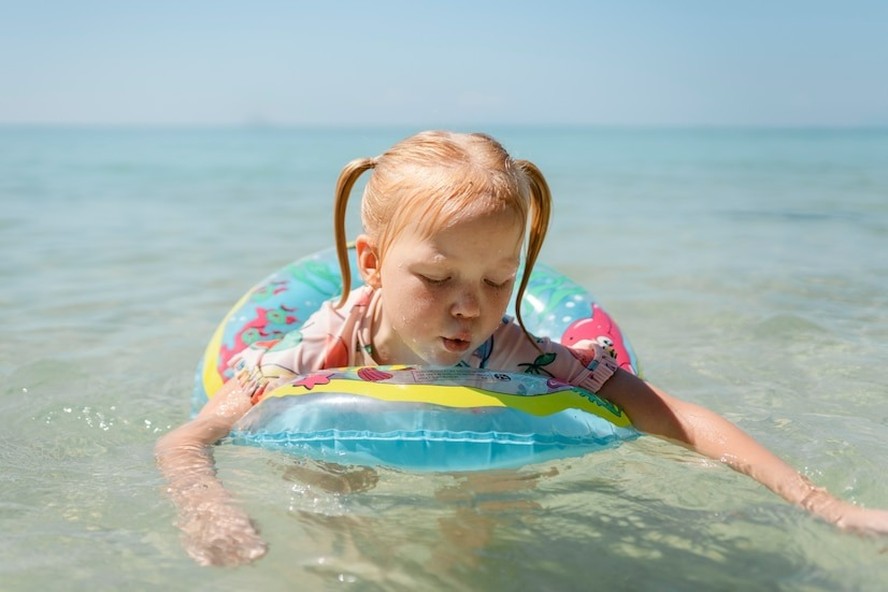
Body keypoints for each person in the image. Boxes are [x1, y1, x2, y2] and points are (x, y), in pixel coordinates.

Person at [156, 130, 888, 567]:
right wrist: (207, 509)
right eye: (437, 278)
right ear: (373, 264)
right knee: (325, 483)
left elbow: (677, 417)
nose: (469, 305)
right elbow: (189, 438)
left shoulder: (519, 353)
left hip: (490, 458)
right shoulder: (324, 346)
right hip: (342, 432)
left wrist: (822, 505)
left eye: (498, 278)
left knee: (502, 497)